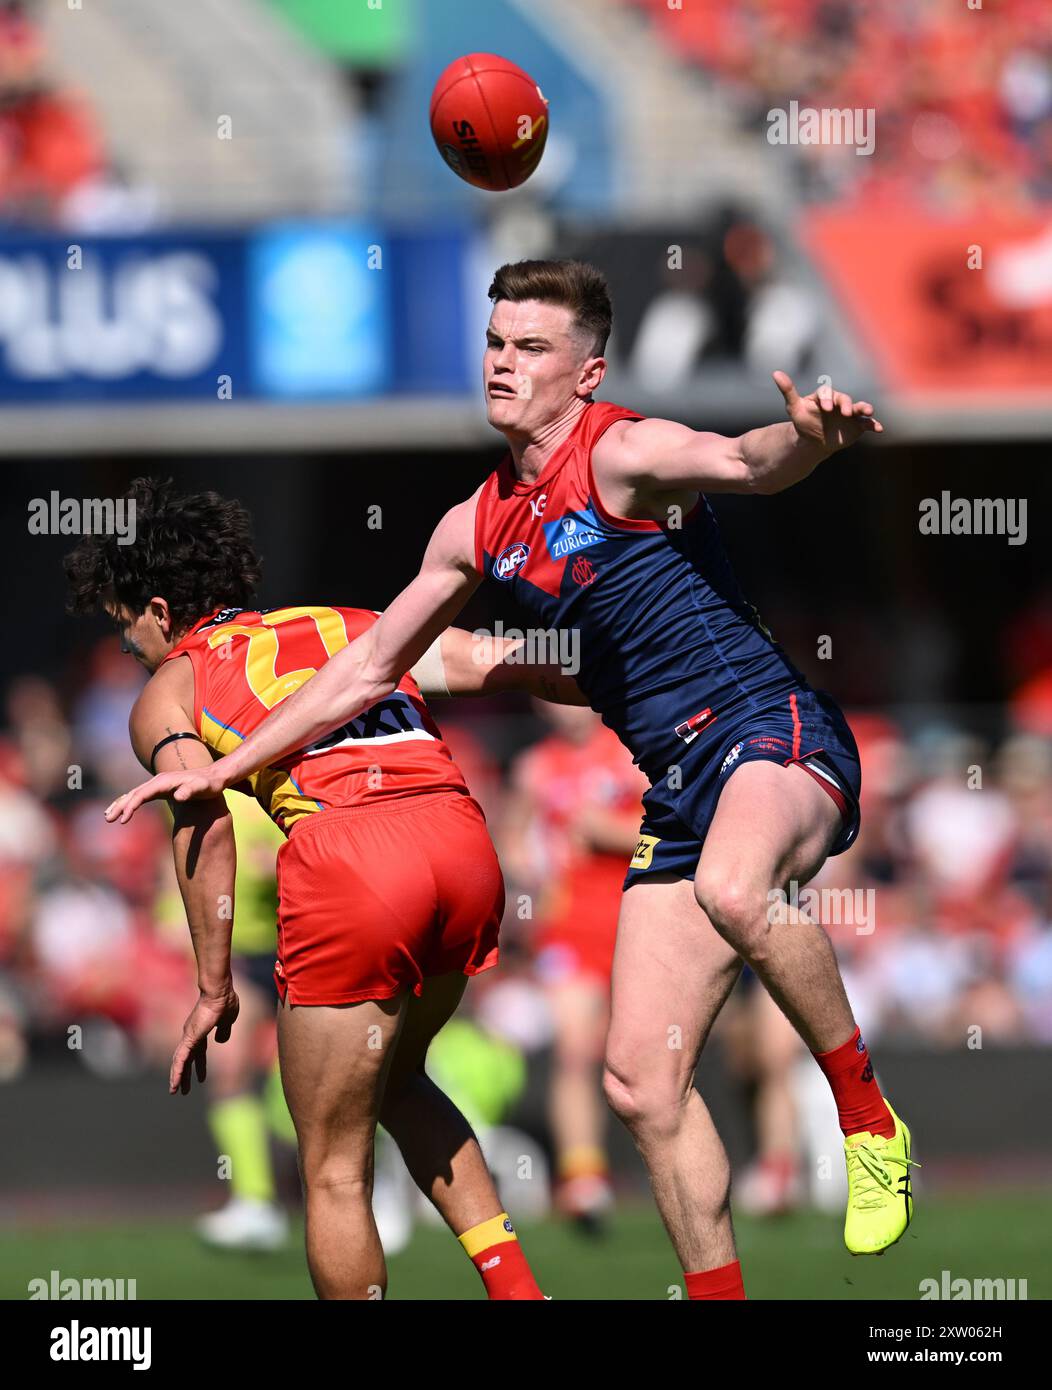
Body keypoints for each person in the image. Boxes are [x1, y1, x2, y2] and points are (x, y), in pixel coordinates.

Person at [107, 261, 916, 1299]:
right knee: (637, 1082)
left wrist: (806, 435)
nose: (502, 362)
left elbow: (742, 457)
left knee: (733, 886)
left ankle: (863, 1115)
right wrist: (224, 763)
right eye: (495, 342)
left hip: (771, 734)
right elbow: (366, 668)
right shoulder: (474, 522)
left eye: (530, 348)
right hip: (677, 787)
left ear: (586, 373)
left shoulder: (620, 451)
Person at [66, 477, 587, 1301]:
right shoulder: (354, 623)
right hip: (461, 842)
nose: (129, 647)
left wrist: (209, 987)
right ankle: (522, 1293)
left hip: (353, 861)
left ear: (161, 611)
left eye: (125, 627)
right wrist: (660, 679)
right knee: (402, 1076)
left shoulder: (169, 691)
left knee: (334, 1169)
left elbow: (203, 821)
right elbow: (512, 665)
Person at [503, 703, 647, 1230]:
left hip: (637, 919)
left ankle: (660, 1167)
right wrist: (527, 866)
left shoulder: (635, 752)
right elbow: (513, 837)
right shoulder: (535, 766)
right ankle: (583, 1177)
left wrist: (604, 830)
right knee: (573, 1050)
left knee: (637, 1054)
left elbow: (670, 832)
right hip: (567, 927)